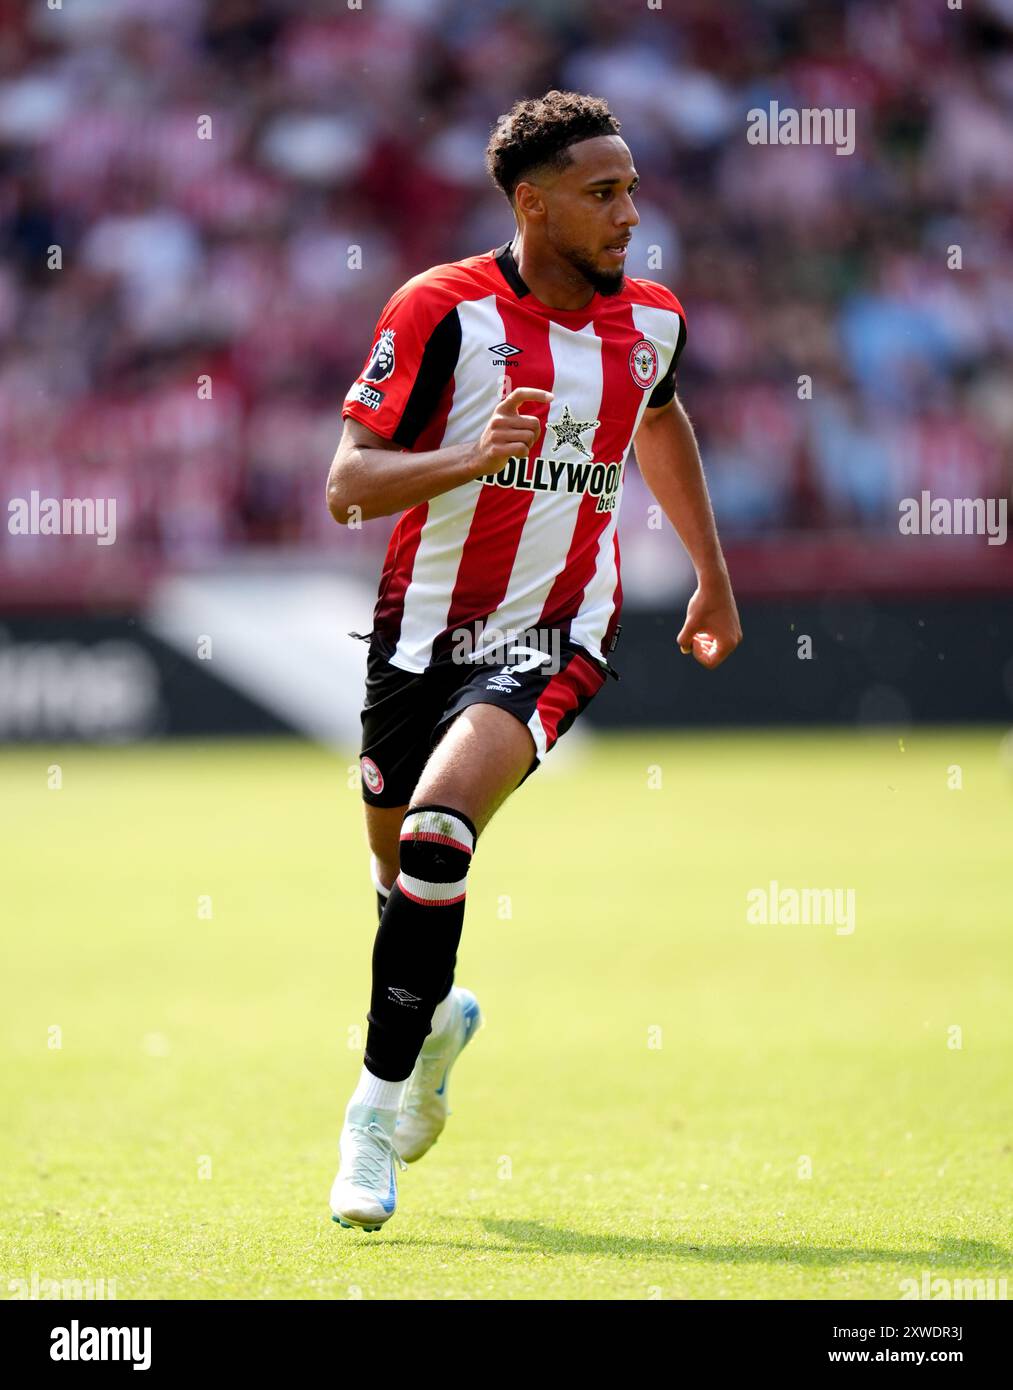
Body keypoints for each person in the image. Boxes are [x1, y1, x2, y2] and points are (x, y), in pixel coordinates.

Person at [325, 90, 742, 1231]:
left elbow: (657, 420)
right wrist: (469, 455)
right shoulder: (440, 312)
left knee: (438, 827)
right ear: (532, 202)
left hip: (556, 631)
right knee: (397, 885)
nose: (627, 215)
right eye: (602, 194)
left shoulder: (651, 320)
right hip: (417, 637)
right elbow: (346, 485)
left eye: (632, 192)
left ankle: (368, 1115)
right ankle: (437, 1017)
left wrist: (709, 570)